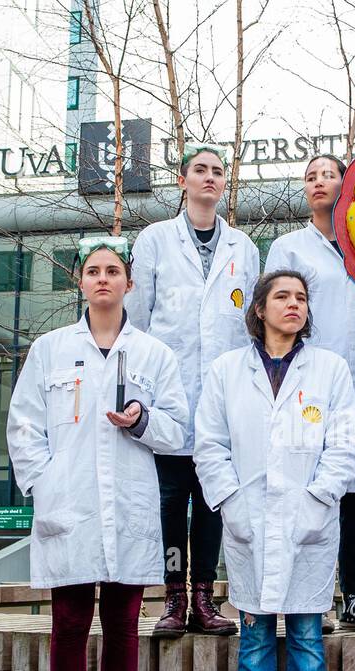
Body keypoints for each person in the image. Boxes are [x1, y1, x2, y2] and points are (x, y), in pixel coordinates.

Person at [6, 237, 189, 671]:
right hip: (72, 509)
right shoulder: (51, 350)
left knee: (123, 629)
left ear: (129, 283)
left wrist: (140, 421)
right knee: (66, 626)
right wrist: (47, 486)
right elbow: (24, 427)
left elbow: (180, 431)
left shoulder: (155, 355)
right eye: (93, 271)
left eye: (114, 270)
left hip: (130, 509)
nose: (104, 279)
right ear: (80, 283)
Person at [194, 270, 355, 671]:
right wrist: (232, 504)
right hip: (249, 523)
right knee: (256, 643)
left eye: (302, 298)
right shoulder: (225, 370)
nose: (294, 305)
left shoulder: (330, 369)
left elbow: (343, 446)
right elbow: (209, 446)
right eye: (282, 297)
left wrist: (318, 500)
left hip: (309, 522)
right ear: (260, 309)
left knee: (309, 643)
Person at [126, 143, 261, 638]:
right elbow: (136, 323)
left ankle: (205, 597)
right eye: (199, 170)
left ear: (225, 184)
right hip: (168, 397)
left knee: (212, 499)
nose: (209, 178)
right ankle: (174, 598)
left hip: (222, 400)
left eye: (217, 171)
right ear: (182, 181)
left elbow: (250, 325)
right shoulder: (155, 240)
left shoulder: (243, 249)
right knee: (168, 500)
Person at [265, 155, 355, 633]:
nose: (319, 182)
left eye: (328, 174)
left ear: (347, 182)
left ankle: (354, 597)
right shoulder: (290, 247)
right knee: (307, 490)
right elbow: (276, 309)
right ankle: (302, 601)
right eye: (311, 177)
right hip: (307, 384)